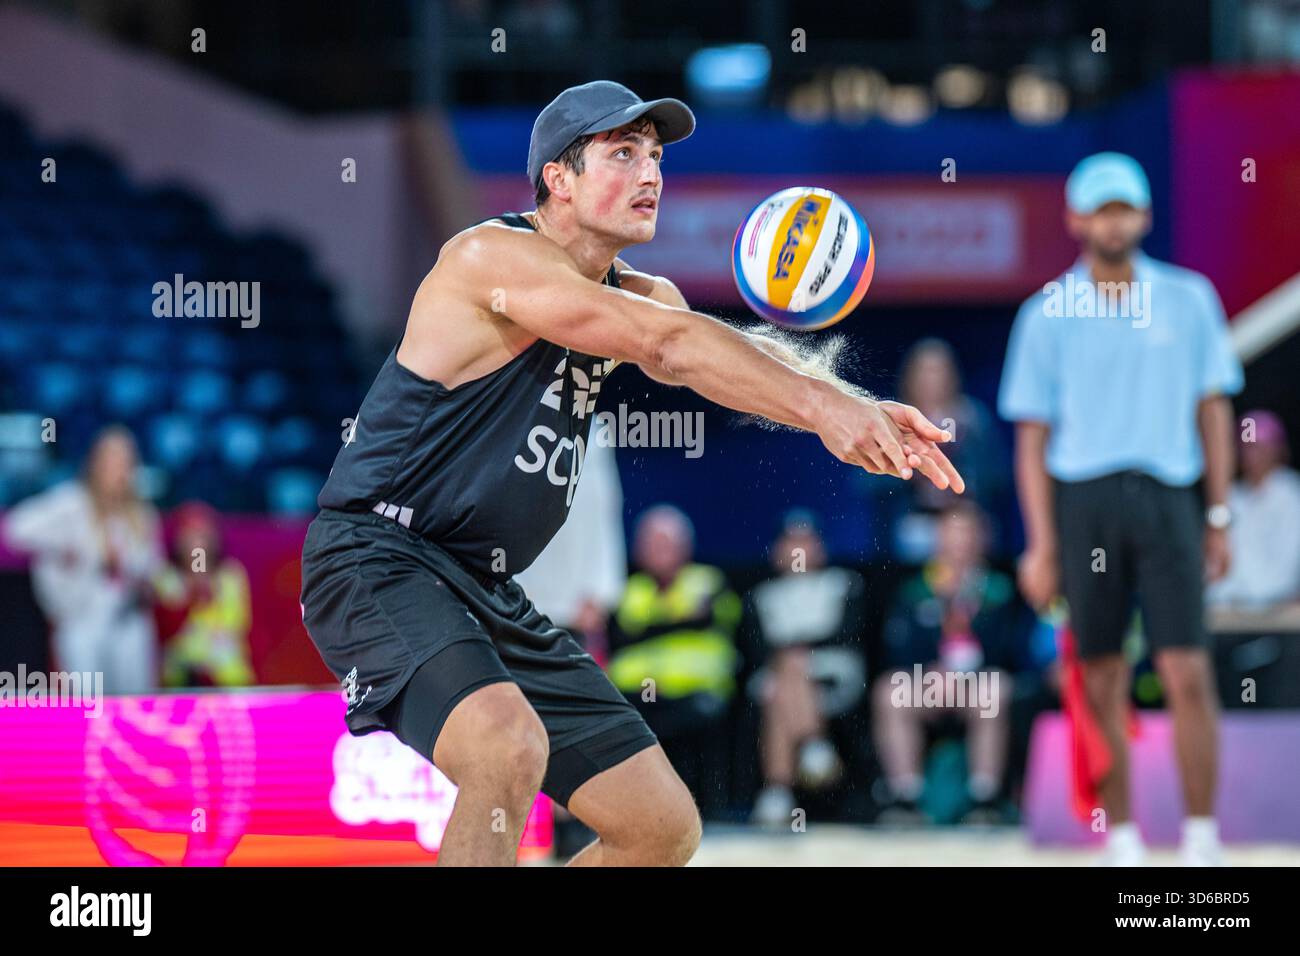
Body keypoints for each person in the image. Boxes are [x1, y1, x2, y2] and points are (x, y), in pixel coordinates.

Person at [300, 80, 964, 867]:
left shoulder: (644, 295)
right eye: (622, 154)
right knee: (507, 747)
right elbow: (667, 346)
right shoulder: (489, 259)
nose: (650, 174)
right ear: (558, 178)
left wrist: (853, 404)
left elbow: (718, 354)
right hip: (375, 555)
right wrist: (824, 412)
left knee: (659, 826)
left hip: (481, 582)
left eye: (654, 156)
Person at [998, 152, 1244, 866]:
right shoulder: (1044, 313)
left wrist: (1220, 515)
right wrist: (1041, 544)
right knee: (1099, 673)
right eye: (1101, 209)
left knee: (1187, 670)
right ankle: (1125, 837)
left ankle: (1201, 836)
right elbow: (1032, 441)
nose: (1114, 221)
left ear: (1146, 215)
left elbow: (1214, 412)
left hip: (1169, 495)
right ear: (1076, 219)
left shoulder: (1189, 298)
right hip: (1084, 501)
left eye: (1125, 207)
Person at [871, 502, 1024, 825]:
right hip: (926, 687)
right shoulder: (914, 589)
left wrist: (964, 674)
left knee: (996, 689)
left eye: (968, 533)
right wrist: (929, 673)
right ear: (938, 539)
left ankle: (985, 800)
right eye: (952, 533)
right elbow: (896, 648)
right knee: (889, 691)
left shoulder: (1000, 590)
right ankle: (905, 798)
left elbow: (1011, 651)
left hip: (976, 688)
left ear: (982, 539)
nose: (960, 543)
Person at [3, 425, 162, 693]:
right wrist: (63, 547)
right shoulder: (71, 503)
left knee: (136, 702)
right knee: (87, 702)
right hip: (81, 617)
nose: (119, 470)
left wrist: (144, 579)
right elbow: (15, 528)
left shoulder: (142, 513)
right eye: (112, 461)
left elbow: (153, 566)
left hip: (128, 620)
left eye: (125, 462)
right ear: (96, 463)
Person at [606, 505, 741, 817]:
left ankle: (712, 813)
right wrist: (679, 621)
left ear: (685, 547)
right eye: (651, 544)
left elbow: (714, 621)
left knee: (698, 724)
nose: (659, 551)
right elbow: (618, 640)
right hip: (636, 695)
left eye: (666, 543)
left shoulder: (708, 581)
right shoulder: (627, 590)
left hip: (697, 692)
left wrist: (647, 631)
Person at [745, 510, 868, 826]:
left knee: (790, 671)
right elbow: (757, 649)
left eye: (806, 542)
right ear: (777, 551)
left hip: (833, 672)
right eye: (791, 543)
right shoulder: (762, 596)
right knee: (783, 680)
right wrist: (790, 655)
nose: (798, 551)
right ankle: (814, 747)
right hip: (777, 678)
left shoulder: (843, 582)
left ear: (820, 547)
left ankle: (777, 791)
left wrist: (798, 650)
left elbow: (849, 634)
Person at [154, 501, 256, 688]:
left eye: (202, 535)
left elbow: (239, 623)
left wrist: (210, 593)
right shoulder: (166, 578)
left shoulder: (231, 575)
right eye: (190, 536)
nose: (197, 544)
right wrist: (189, 596)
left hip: (226, 677)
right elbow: (165, 630)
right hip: (180, 677)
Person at [1206, 409, 1300, 610]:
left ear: (1276, 449)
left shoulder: (1291, 493)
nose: (1251, 456)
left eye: (1258, 447)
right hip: (1229, 604)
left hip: (1279, 605)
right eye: (1246, 448)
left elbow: (1287, 564)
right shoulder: (1230, 496)